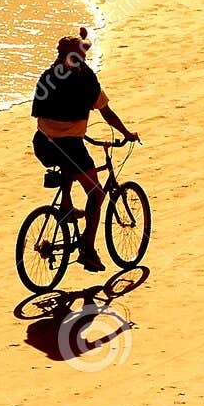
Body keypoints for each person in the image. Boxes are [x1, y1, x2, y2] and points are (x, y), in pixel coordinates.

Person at [31, 31, 139, 273]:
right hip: (70, 145)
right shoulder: (85, 80)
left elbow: (41, 113)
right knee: (96, 192)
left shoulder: (49, 76)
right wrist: (126, 133)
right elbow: (107, 113)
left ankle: (66, 206)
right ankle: (88, 250)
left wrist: (85, 37)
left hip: (42, 143)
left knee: (70, 166)